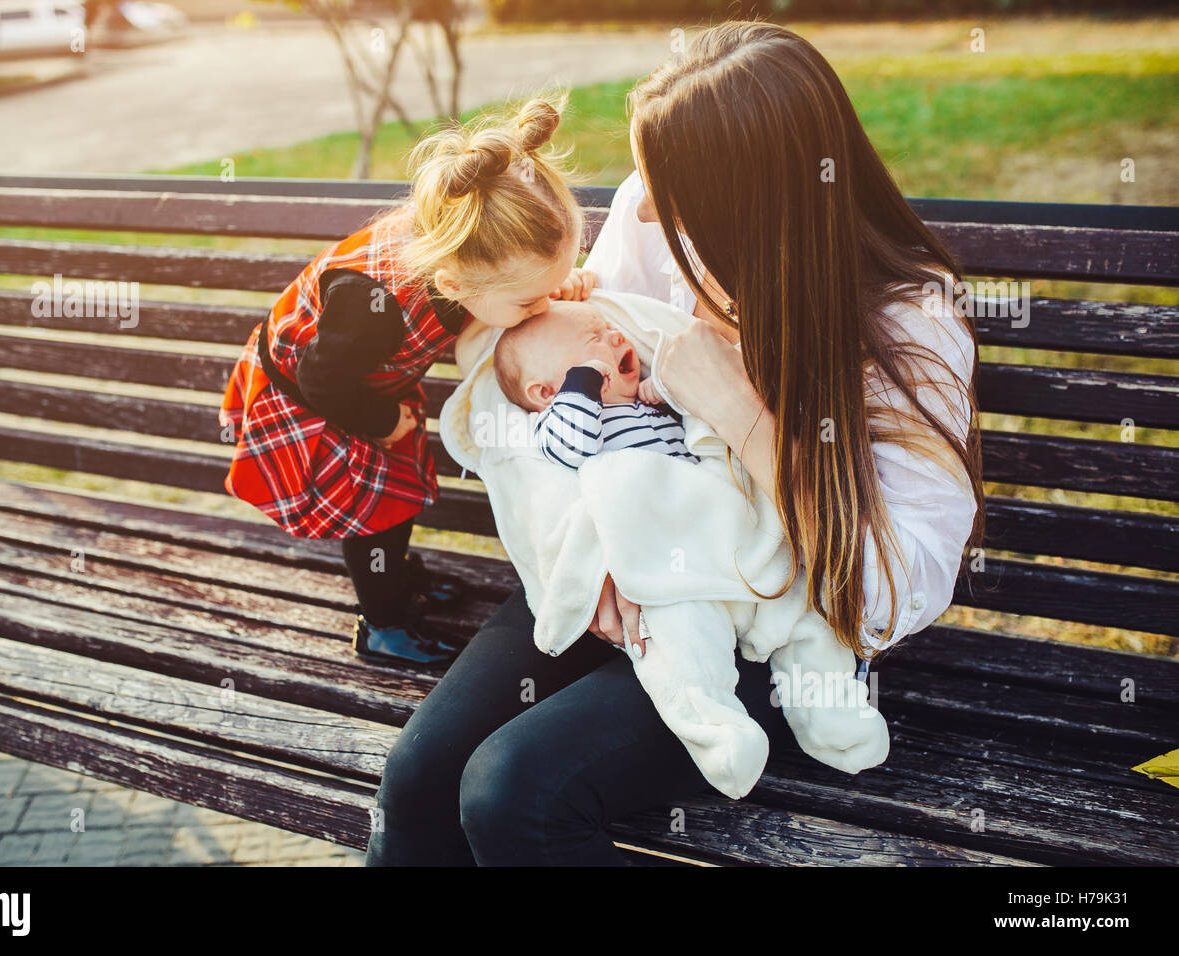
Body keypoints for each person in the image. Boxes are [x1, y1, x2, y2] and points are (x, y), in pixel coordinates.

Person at [366, 20, 983, 865]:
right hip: (615, 567)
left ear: (756, 209)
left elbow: (885, 596)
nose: (647, 215)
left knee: (513, 792)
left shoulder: (908, 327)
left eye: (672, 198)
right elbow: (528, 387)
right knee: (419, 774)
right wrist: (583, 552)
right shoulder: (652, 217)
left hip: (768, 613)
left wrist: (741, 412)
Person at [219, 97, 588, 668]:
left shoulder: (468, 240)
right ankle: (383, 625)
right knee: (376, 510)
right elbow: (321, 375)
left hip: (360, 383)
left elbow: (498, 295)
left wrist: (554, 289)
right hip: (312, 395)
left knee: (394, 503)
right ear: (453, 281)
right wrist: (385, 422)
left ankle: (396, 577)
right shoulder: (374, 309)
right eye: (528, 299)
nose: (539, 305)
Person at [492, 299, 696, 468]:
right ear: (546, 392)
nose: (617, 336)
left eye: (609, 328)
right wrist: (586, 378)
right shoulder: (555, 424)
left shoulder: (643, 400)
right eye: (594, 338)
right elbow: (571, 449)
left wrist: (665, 391)